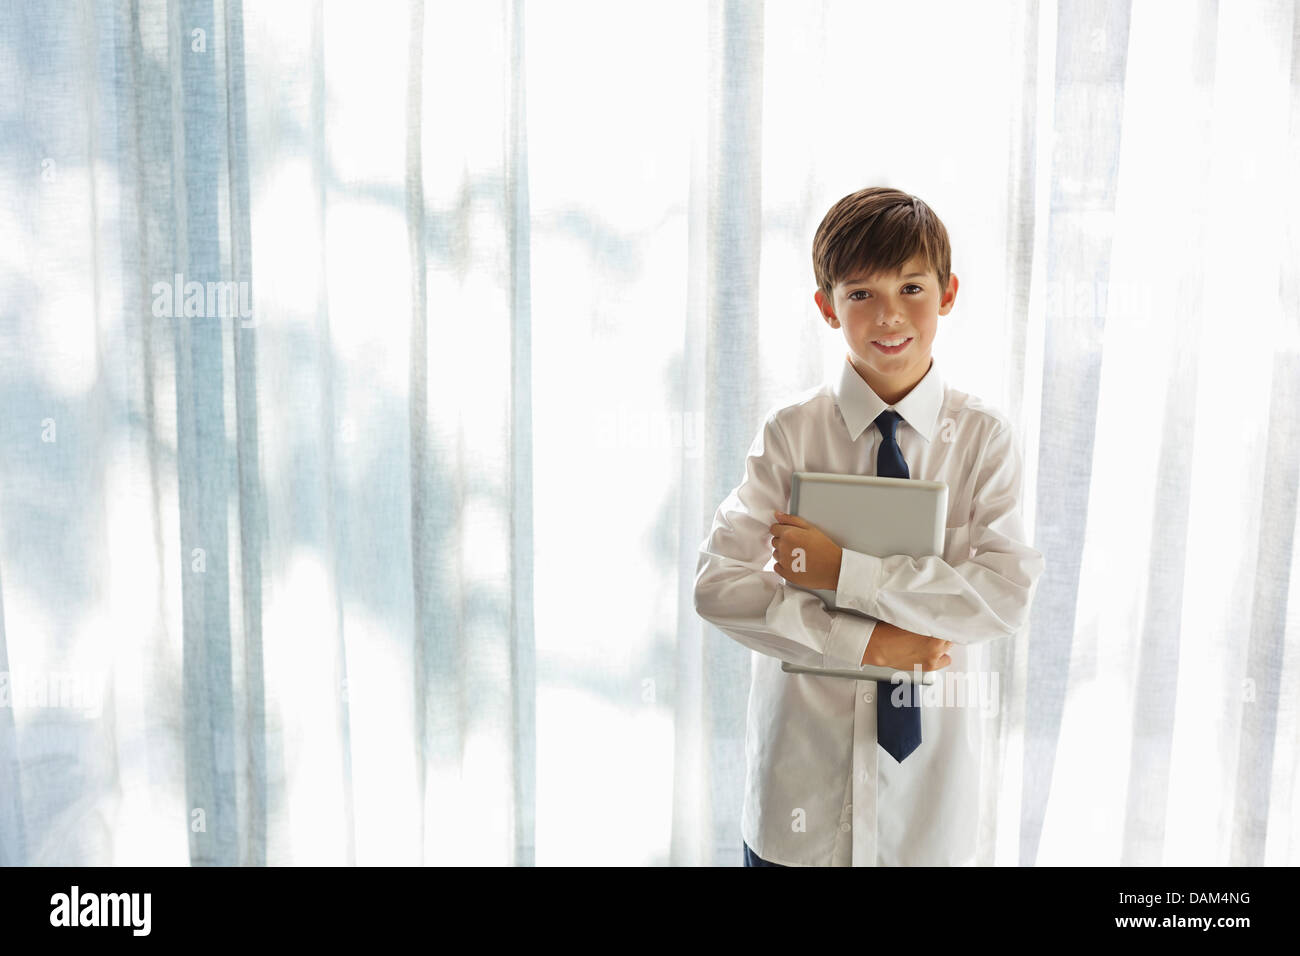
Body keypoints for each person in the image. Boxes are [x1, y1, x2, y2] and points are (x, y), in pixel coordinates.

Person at [693, 186, 1046, 866]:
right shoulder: (791, 434)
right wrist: (864, 643)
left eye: (912, 287)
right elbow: (717, 583)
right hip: (797, 808)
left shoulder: (982, 440)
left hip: (927, 818)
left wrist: (839, 571)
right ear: (827, 306)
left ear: (948, 294)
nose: (890, 315)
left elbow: (1004, 592)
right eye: (861, 294)